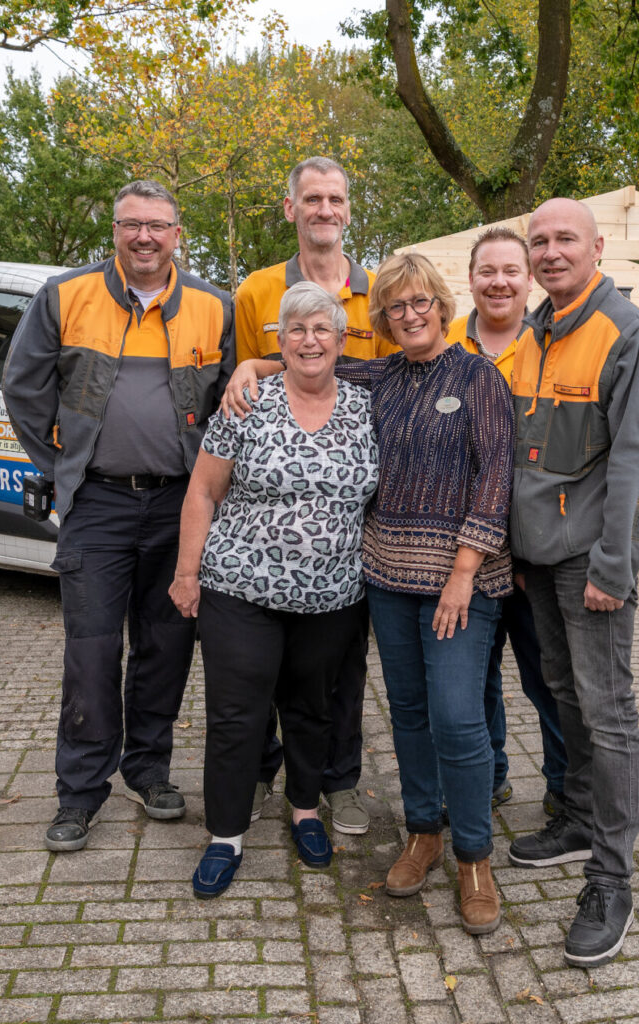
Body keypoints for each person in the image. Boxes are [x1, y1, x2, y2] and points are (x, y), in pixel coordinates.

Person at [224, 252, 515, 936]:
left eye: (420, 302)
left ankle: (474, 857)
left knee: (456, 717)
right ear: (381, 319)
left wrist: (464, 571)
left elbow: (497, 478)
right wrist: (251, 367)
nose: (409, 315)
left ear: (441, 306)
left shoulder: (478, 377)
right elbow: (308, 362)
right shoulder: (380, 376)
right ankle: (423, 833)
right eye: (394, 307)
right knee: (408, 713)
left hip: (460, 582)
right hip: (386, 576)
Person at [3, 180, 235, 852]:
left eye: (157, 225)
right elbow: (22, 387)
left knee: (166, 647)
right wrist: (62, 465)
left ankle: (148, 770)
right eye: (132, 224)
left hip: (180, 505)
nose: (144, 237)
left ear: (177, 234)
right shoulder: (64, 296)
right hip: (97, 504)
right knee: (92, 651)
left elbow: (230, 402)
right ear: (114, 232)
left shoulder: (214, 307)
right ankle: (79, 792)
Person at [504, 198, 639, 968]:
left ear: (597, 246)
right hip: (538, 555)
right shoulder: (536, 332)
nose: (550, 251)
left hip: (591, 561)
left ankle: (611, 877)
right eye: (538, 241)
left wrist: (616, 565)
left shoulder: (627, 334)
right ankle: (577, 818)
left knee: (608, 711)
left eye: (564, 238)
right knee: (564, 691)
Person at [168, 282, 378, 898]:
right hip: (241, 589)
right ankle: (226, 835)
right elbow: (203, 491)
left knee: (313, 709)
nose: (310, 341)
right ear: (279, 342)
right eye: (296, 330)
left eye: (322, 329)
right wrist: (186, 573)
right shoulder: (247, 402)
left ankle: (306, 811)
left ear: (341, 340)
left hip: (333, 597)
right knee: (238, 714)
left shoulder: (367, 406)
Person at [232, 157, 398, 836]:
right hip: (271, 511)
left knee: (342, 665)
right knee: (264, 663)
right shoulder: (256, 292)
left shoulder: (379, 293)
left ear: (349, 209)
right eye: (312, 199)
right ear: (290, 208)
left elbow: (398, 374)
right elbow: (246, 392)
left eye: (335, 199)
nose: (324, 209)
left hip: (352, 510)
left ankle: (340, 780)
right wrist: (252, 362)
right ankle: (263, 770)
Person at [445, 226, 568, 817]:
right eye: (487, 271)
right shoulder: (444, 343)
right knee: (476, 677)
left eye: (510, 271)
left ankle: (565, 788)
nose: (499, 282)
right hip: (465, 555)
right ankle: (490, 774)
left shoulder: (554, 344)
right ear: (470, 279)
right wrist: (257, 366)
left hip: (533, 553)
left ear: (529, 279)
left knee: (548, 678)